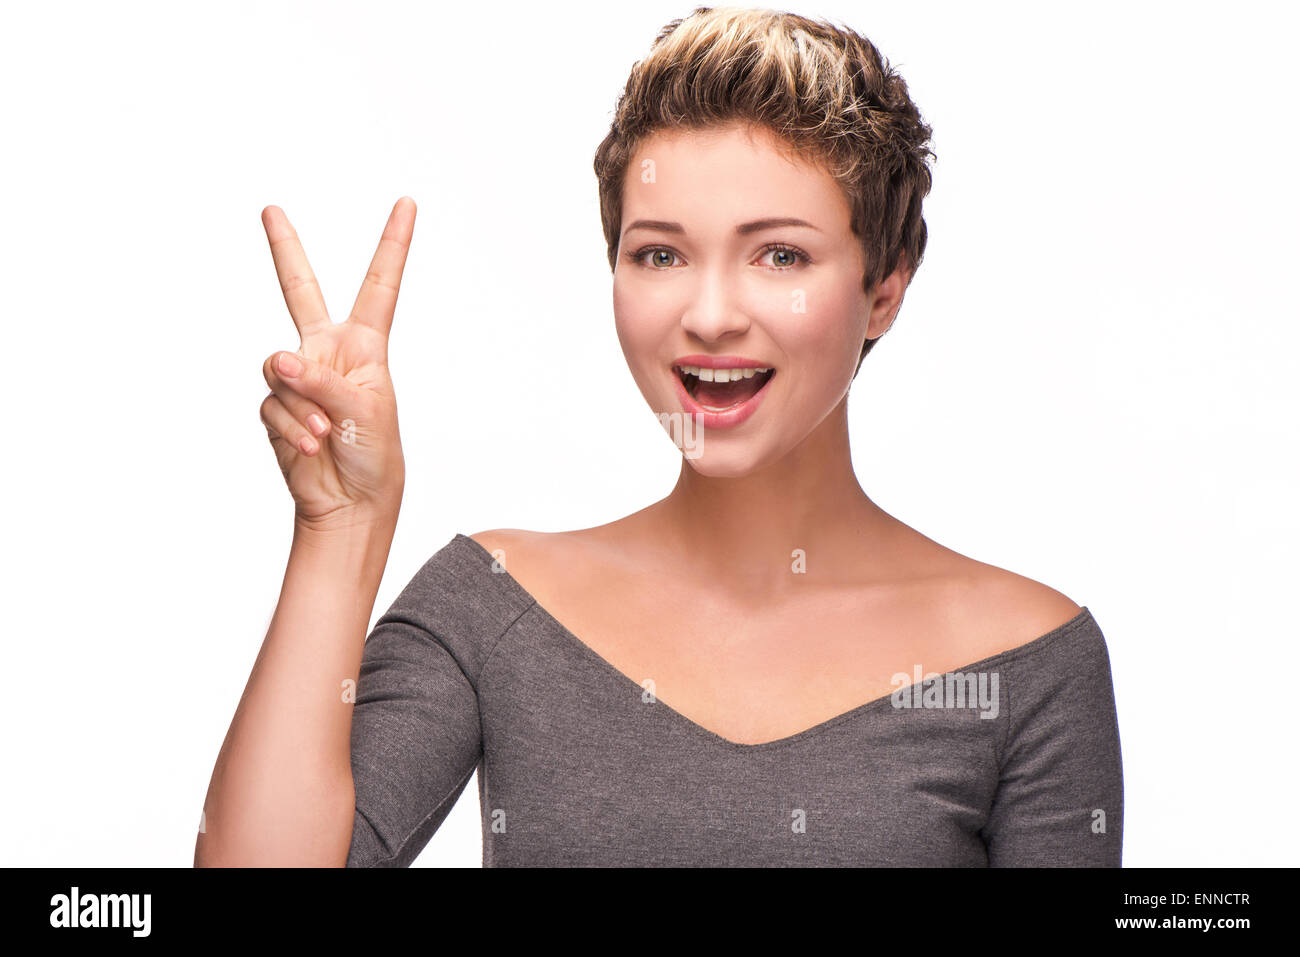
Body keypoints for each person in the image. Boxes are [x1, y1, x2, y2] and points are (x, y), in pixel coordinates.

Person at [195, 5, 1123, 867]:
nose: (709, 315)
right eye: (660, 255)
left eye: (780, 255)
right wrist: (341, 529)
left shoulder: (1030, 658)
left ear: (884, 289)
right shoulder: (494, 609)